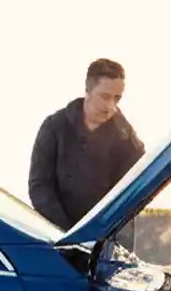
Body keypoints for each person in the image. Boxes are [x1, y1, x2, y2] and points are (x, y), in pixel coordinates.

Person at [27, 58, 146, 242]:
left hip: (108, 242)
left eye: (117, 98)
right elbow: (40, 186)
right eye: (105, 96)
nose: (110, 106)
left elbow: (136, 189)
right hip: (59, 238)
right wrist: (68, 234)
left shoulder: (125, 135)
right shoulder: (54, 127)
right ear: (88, 90)